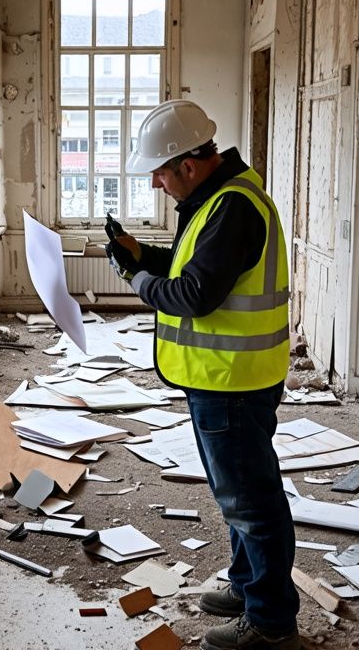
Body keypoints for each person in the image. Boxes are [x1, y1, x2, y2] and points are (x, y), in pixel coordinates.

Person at [104, 99, 300, 650]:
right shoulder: (219, 199)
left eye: (161, 172)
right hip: (227, 376)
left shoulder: (232, 207)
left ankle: (271, 622)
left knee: (251, 501)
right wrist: (141, 254)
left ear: (189, 164)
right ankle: (247, 586)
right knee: (238, 493)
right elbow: (195, 267)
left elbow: (193, 294)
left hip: (233, 381)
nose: (156, 183)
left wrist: (138, 281)